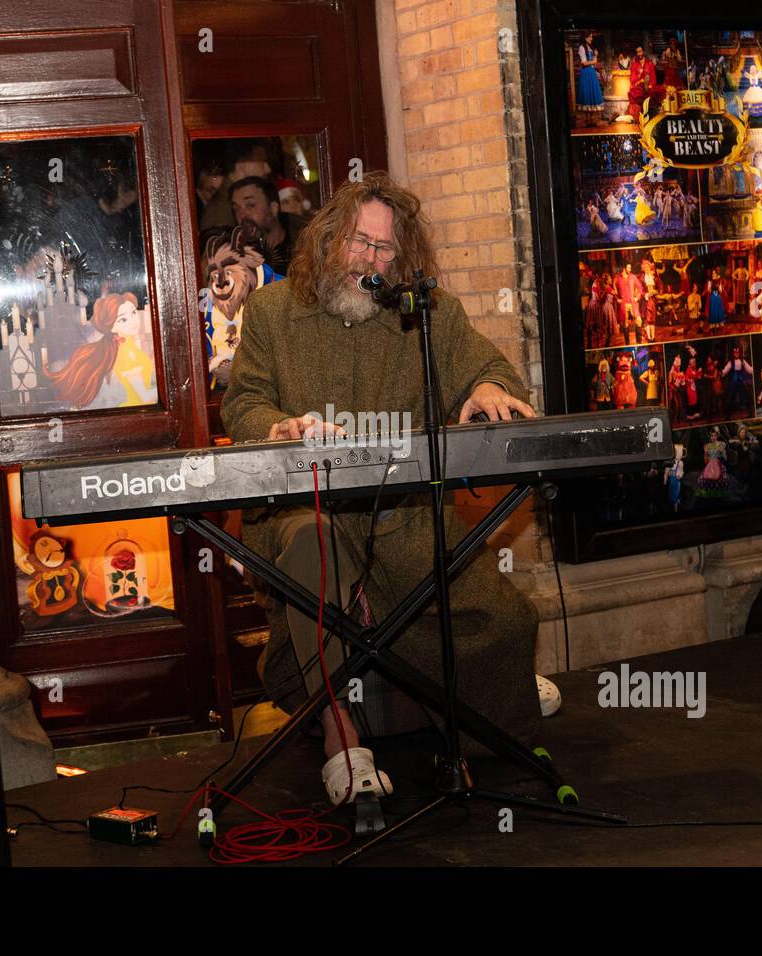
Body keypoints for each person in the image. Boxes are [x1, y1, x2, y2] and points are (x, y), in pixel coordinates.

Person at [221, 172, 548, 805]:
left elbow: (489, 368)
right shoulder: (272, 311)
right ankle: (343, 743)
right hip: (304, 506)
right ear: (329, 238)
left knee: (502, 621)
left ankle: (491, 707)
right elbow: (245, 404)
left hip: (402, 517)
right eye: (357, 242)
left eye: (384, 249)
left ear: (403, 259)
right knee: (313, 552)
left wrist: (486, 390)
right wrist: (278, 426)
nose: (368, 259)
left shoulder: (425, 313)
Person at [229, 175, 300, 276]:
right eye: (236, 209)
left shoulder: (299, 250)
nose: (241, 215)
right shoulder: (239, 258)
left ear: (273, 208)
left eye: (250, 205)